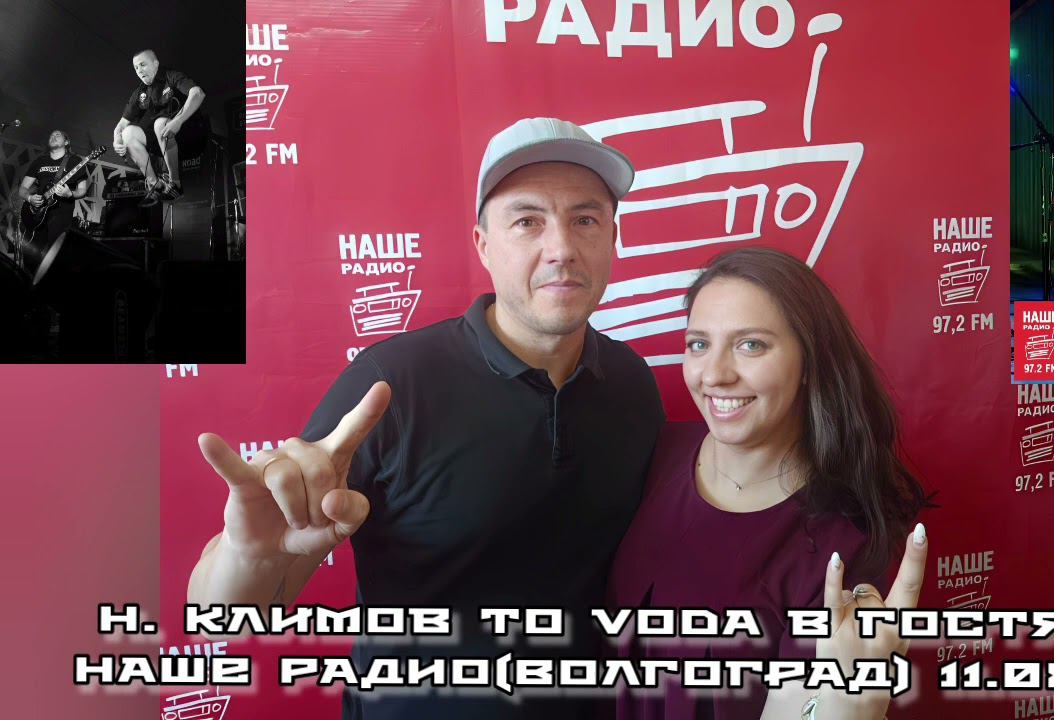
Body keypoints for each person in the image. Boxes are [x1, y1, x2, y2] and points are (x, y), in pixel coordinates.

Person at [187, 117, 665, 719]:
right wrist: (249, 557)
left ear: (613, 238)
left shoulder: (633, 385)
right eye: (527, 221)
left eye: (585, 220)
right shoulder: (388, 385)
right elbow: (222, 616)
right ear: (483, 245)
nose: (562, 248)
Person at [607, 247, 932, 720]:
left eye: (751, 345)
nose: (714, 374)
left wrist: (845, 707)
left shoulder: (840, 548)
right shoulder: (661, 450)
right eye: (699, 344)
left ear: (810, 363)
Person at [112, 49, 207, 207]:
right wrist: (117, 139)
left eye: (143, 65)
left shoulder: (171, 76)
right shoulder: (141, 92)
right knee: (128, 133)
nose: (139, 70)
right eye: (136, 68)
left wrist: (178, 121)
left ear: (155, 64)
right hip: (162, 138)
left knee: (160, 123)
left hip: (189, 133)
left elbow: (198, 93)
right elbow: (121, 125)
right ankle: (155, 185)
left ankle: (175, 184)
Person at [16, 130, 88, 267]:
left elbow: (82, 190)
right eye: (51, 135)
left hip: (61, 216)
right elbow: (22, 189)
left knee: (55, 258)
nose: (53, 136)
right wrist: (30, 198)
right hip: (36, 215)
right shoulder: (40, 161)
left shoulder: (75, 161)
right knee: (30, 256)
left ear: (66, 142)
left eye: (57, 135)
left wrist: (70, 194)